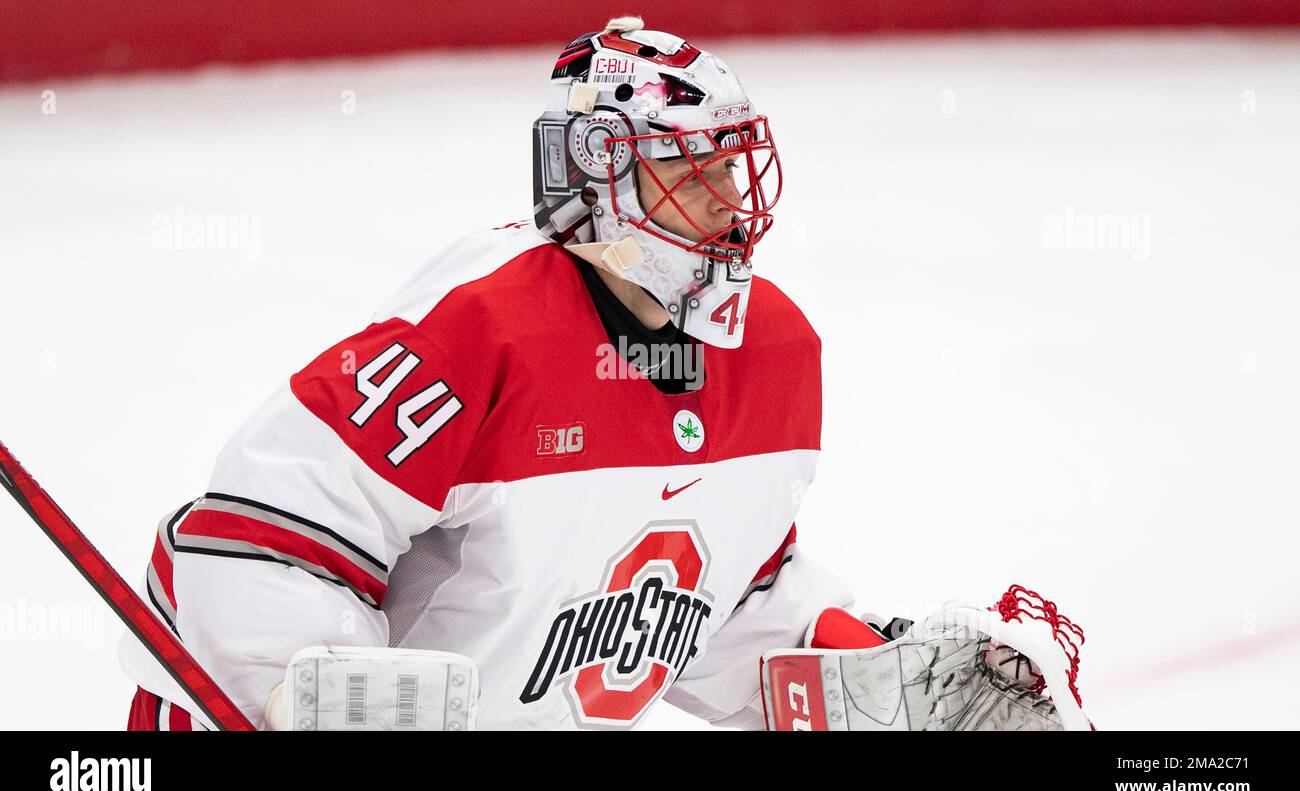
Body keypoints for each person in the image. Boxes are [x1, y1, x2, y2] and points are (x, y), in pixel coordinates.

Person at [119, 17, 1080, 731]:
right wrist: (316, 695)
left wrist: (873, 674)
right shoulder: (483, 325)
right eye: (686, 172)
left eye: (731, 172)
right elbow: (255, 543)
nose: (728, 206)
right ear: (598, 176)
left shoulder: (776, 354)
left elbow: (722, 607)